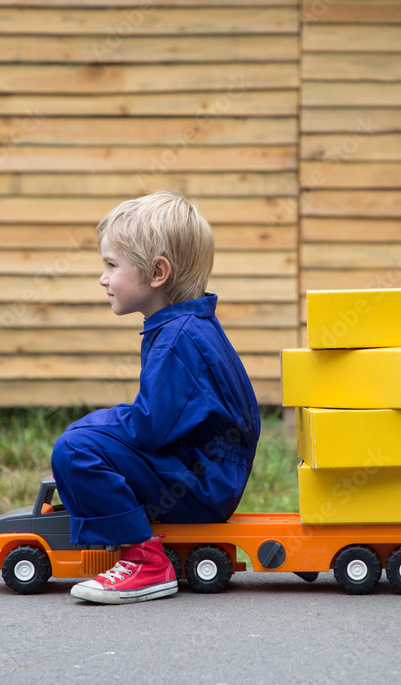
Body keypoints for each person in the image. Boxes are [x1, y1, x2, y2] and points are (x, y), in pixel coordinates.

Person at [51, 190, 261, 604]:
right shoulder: (186, 327)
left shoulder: (177, 341)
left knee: (75, 450)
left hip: (203, 484)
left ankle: (146, 563)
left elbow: (148, 430)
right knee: (89, 437)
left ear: (157, 272)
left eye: (111, 265)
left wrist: (93, 426)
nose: (103, 278)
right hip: (209, 474)